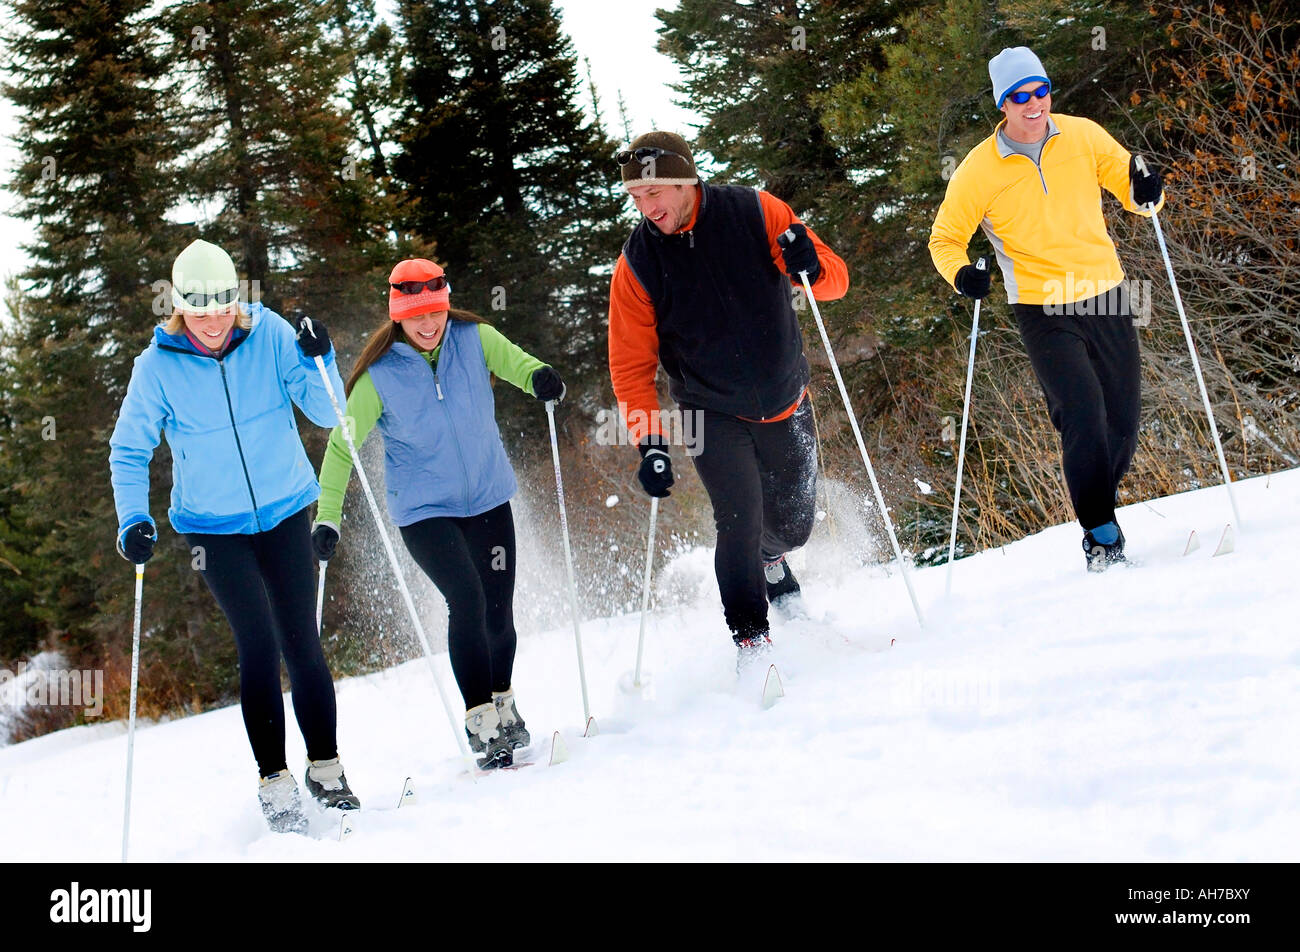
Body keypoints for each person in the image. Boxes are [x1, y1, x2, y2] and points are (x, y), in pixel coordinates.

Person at [109, 238, 360, 834]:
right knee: (257, 644)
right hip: (211, 530)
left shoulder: (271, 335)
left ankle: (325, 769)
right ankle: (275, 782)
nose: (215, 320)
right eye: (200, 309)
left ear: (237, 299)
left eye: (224, 305)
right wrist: (131, 519)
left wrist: (321, 359)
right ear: (178, 307)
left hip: (284, 511)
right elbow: (129, 448)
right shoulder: (157, 367)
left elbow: (329, 414)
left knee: (302, 641)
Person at [607, 132, 849, 670]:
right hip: (705, 407)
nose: (648, 209)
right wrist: (650, 442)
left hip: (784, 393)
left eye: (655, 193)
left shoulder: (757, 211)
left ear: (687, 181)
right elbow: (630, 366)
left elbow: (833, 282)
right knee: (737, 519)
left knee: (792, 526)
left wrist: (812, 263)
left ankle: (773, 559)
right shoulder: (638, 264)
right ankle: (751, 642)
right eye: (637, 198)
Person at [311, 258, 564, 769]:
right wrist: (328, 515)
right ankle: (480, 721)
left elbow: (517, 363)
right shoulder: (377, 378)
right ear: (397, 317)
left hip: (489, 497)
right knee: (466, 597)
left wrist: (539, 377)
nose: (429, 324)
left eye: (437, 313)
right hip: (425, 513)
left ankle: (503, 700)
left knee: (499, 609)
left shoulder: (475, 338)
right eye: (416, 316)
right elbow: (343, 449)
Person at [928, 47, 1165, 571]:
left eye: (1040, 90)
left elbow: (1133, 187)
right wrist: (963, 273)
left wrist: (1148, 190)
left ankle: (1097, 498)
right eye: (1019, 96)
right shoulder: (978, 170)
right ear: (1003, 104)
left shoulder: (1082, 135)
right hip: (1041, 307)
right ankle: (1101, 535)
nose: (1033, 103)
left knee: (1122, 420)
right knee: (1081, 411)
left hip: (1105, 292)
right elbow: (944, 239)